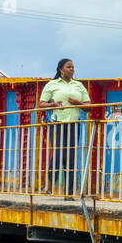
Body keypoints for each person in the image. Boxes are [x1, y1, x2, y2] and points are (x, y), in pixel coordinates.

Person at [37, 58, 90, 197]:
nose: (72, 69)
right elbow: (41, 103)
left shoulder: (79, 85)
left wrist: (77, 103)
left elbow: (89, 107)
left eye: (73, 67)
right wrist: (51, 105)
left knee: (71, 157)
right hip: (57, 123)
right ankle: (49, 183)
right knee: (60, 154)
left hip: (73, 124)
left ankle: (69, 193)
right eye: (69, 67)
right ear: (61, 69)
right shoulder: (52, 84)